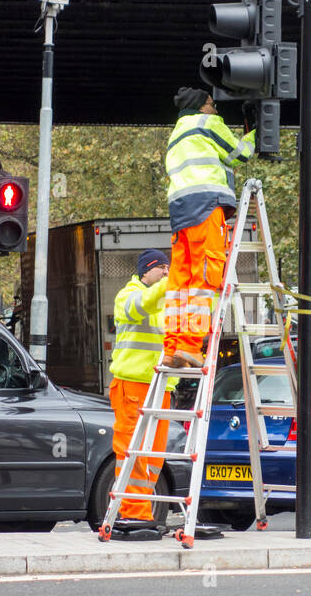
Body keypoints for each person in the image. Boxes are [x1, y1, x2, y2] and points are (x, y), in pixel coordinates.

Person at [162, 87, 255, 370]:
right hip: (206, 205)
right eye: (212, 105)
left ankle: (173, 346)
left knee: (181, 281)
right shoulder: (207, 123)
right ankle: (190, 347)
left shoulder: (178, 132)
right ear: (201, 107)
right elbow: (240, 154)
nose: (216, 110)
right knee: (206, 275)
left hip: (180, 211)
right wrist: (255, 130)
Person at [109, 250, 173, 537]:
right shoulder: (129, 294)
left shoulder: (165, 299)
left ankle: (144, 510)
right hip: (133, 385)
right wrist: (167, 285)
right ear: (145, 271)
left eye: (167, 267)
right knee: (133, 453)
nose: (165, 271)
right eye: (160, 267)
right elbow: (141, 306)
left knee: (154, 456)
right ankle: (133, 513)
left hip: (160, 386)